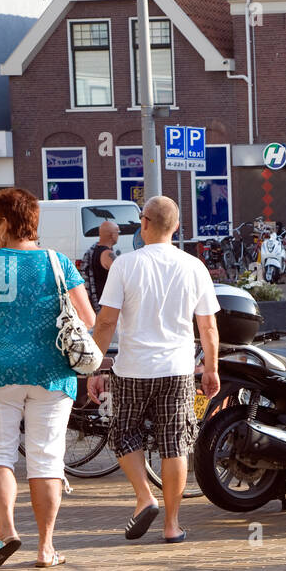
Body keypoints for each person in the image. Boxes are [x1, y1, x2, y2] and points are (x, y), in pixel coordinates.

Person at [0, 187, 97, 570]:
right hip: (52, 373)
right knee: (46, 457)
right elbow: (89, 320)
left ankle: (6, 532)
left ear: (5, 222)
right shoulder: (58, 262)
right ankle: (46, 548)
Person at [86, 196, 220, 544]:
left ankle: (145, 496)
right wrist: (211, 368)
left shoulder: (125, 265)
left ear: (144, 223)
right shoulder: (195, 267)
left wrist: (96, 366)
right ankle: (172, 525)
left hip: (133, 369)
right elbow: (208, 328)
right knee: (174, 444)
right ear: (176, 227)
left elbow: (105, 323)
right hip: (178, 370)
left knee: (122, 433)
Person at [82, 220, 119, 310]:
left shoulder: (92, 251)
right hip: (104, 306)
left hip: (94, 304)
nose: (118, 235)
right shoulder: (108, 254)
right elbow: (123, 277)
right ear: (112, 235)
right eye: (118, 232)